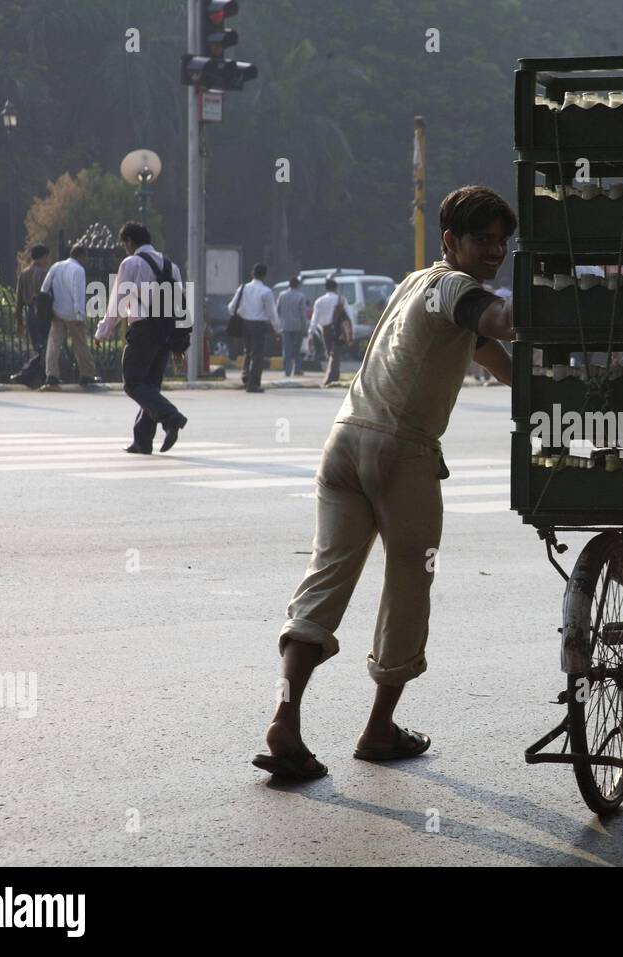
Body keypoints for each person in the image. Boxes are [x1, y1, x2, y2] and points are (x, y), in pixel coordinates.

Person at [253, 185, 517, 780]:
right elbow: (499, 319)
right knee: (408, 584)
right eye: (483, 240)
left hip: (345, 443)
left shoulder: (413, 288)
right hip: (402, 453)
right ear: (451, 241)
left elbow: (497, 355)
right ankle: (378, 729)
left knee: (323, 582)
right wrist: (560, 296)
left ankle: (284, 719)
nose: (496, 251)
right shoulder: (455, 286)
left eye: (503, 242)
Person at [95, 221, 189, 454]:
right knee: (150, 386)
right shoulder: (171, 266)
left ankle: (171, 418)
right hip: (166, 331)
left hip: (144, 329)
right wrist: (179, 343)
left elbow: (118, 300)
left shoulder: (132, 263)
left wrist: (103, 331)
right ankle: (142, 441)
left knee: (133, 383)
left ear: (129, 241)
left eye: (124, 244)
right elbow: (180, 305)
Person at [40, 244, 101, 390]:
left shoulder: (56, 266)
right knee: (80, 343)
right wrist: (80, 315)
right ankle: (86, 374)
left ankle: (51, 375)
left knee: (54, 343)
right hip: (73, 313)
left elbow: (44, 288)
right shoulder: (78, 270)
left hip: (56, 311)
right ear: (81, 256)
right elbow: (78, 292)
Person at [229, 263, 280, 393]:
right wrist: (277, 329)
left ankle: (245, 378)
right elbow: (272, 313)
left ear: (252, 273)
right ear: (264, 275)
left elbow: (231, 308)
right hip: (259, 325)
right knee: (257, 355)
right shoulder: (266, 291)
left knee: (247, 352)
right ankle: (253, 384)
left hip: (245, 324)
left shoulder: (243, 288)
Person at [8, 245, 52, 388]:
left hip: (29, 313)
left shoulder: (24, 274)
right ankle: (26, 374)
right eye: (47, 257)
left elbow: (19, 300)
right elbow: (49, 295)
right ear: (43, 257)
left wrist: (19, 321)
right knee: (44, 347)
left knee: (39, 346)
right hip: (42, 312)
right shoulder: (45, 274)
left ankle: (35, 376)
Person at [311, 277, 350, 387]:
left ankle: (332, 376)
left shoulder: (319, 301)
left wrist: (311, 331)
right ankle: (332, 377)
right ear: (335, 288)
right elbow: (349, 315)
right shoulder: (341, 299)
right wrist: (351, 331)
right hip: (338, 329)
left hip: (325, 330)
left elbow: (315, 318)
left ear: (326, 288)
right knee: (335, 353)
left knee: (330, 352)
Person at [276, 275, 310, 377]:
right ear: (298, 285)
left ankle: (287, 370)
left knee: (286, 349)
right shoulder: (301, 296)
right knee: (297, 349)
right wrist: (305, 328)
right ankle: (298, 369)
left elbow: (278, 310)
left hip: (285, 326)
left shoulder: (282, 295)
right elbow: (303, 314)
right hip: (297, 326)